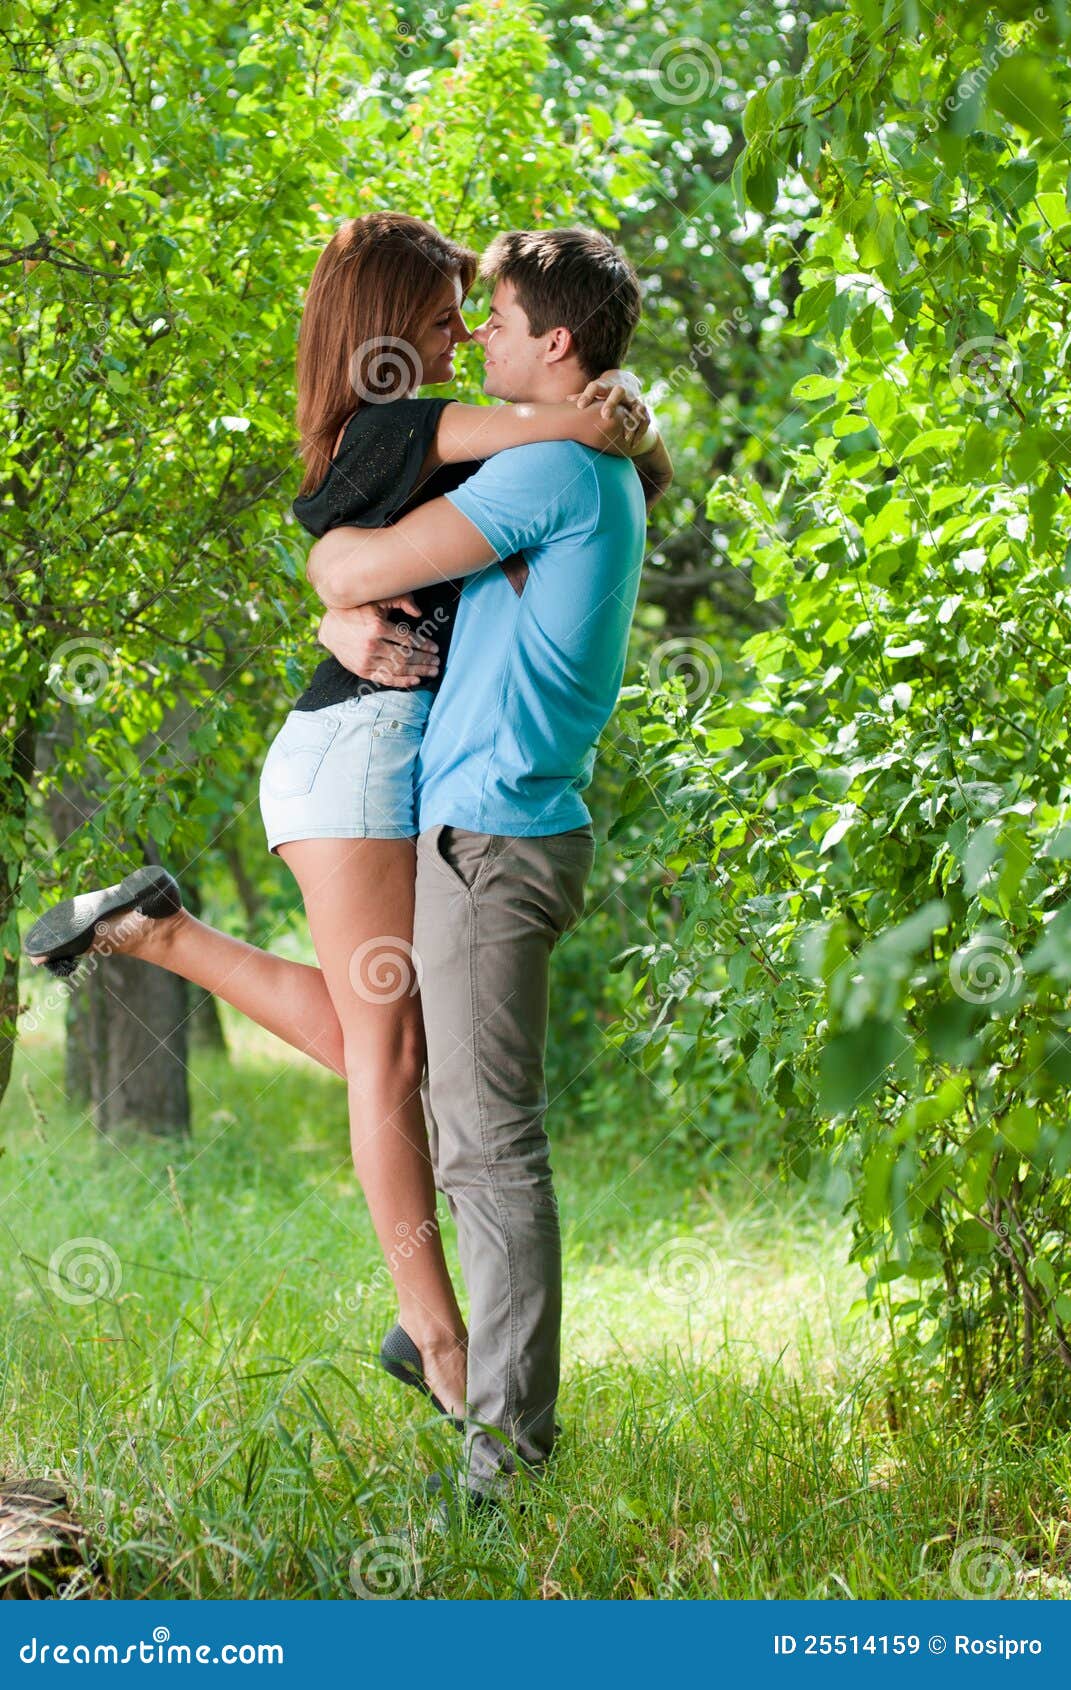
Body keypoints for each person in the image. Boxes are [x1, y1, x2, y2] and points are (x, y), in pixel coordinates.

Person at [22, 213, 665, 1435]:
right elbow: (379, 543)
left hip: (365, 759)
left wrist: (623, 411)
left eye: (484, 320)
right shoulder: (415, 421)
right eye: (442, 319)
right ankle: (438, 1341)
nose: (468, 334)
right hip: (362, 761)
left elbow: (511, 484)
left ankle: (162, 934)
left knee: (405, 1047)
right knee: (398, 1061)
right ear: (384, 338)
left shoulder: (453, 446)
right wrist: (602, 412)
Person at [306, 226, 673, 1505]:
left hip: (488, 835)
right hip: (510, 830)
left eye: (499, 318)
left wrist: (332, 593)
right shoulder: (591, 459)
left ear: (554, 343)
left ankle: (504, 1457)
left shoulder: (549, 474)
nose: (478, 338)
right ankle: (473, 1391)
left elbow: (355, 560)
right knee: (451, 1109)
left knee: (487, 1148)